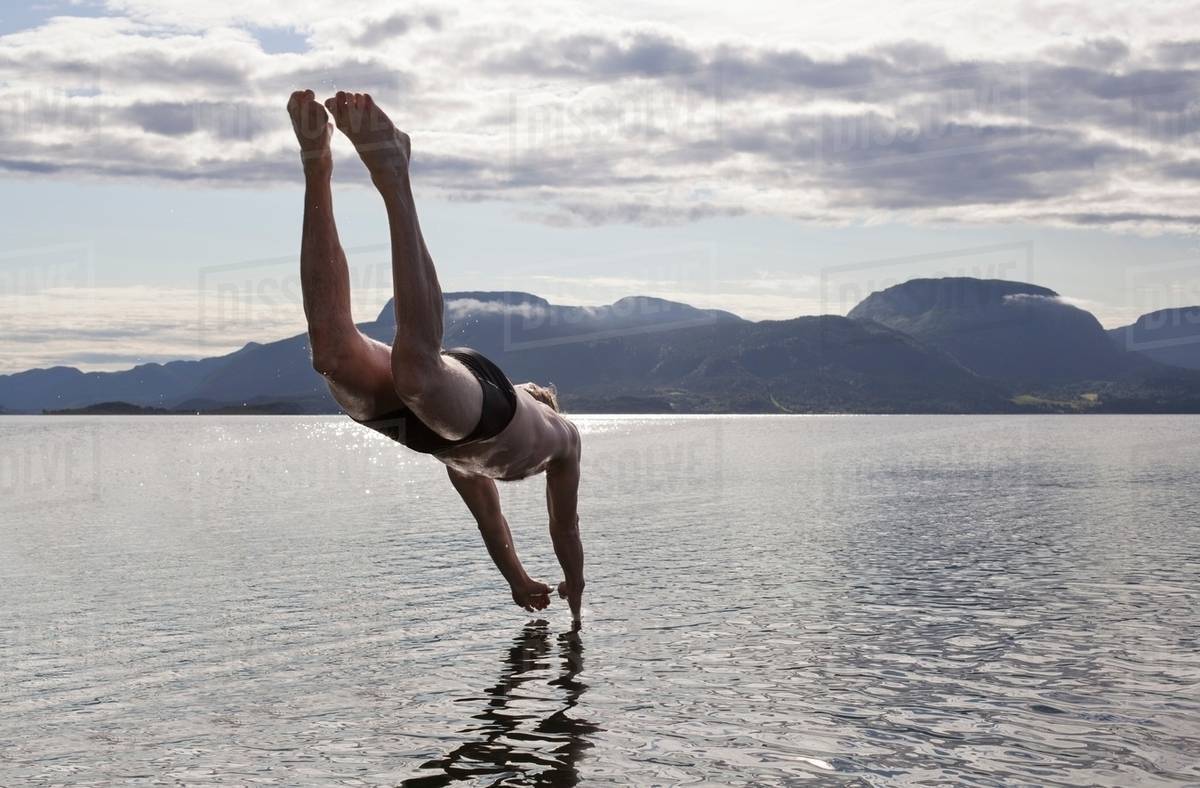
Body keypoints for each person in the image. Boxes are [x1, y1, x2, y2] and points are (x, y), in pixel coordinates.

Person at [286, 89, 585, 622]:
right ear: (545, 400)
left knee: (331, 353)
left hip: (436, 434)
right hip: (476, 406)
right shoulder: (563, 435)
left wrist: (519, 581)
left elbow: (492, 525)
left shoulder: (466, 468)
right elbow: (564, 526)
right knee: (417, 373)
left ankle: (317, 165)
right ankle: (395, 175)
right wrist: (576, 585)